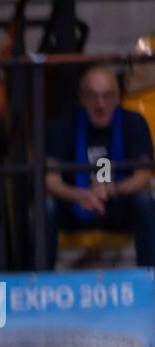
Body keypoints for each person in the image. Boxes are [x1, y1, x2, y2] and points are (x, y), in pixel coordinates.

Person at [45, 65, 155, 268]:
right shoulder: (61, 126)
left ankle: (149, 277)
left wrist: (113, 189)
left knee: (145, 201)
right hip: (76, 205)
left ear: (117, 97)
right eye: (93, 96)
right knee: (46, 207)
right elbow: (50, 180)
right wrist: (80, 195)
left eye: (108, 96)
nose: (101, 104)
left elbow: (143, 175)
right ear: (82, 98)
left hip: (118, 205)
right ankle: (40, 282)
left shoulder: (134, 123)